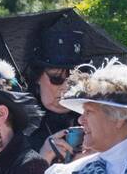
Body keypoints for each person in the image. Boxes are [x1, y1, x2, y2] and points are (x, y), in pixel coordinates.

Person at [25, 24, 91, 165]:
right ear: (37, 77)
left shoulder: (93, 119)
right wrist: (42, 158)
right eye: (56, 77)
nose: (65, 87)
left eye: (73, 81)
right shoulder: (20, 125)